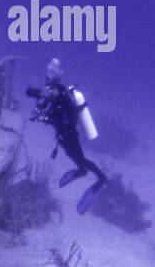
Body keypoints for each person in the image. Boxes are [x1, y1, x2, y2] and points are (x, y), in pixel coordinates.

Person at [26, 58, 108, 214]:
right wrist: (44, 115)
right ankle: (82, 171)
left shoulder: (60, 93)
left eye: (51, 71)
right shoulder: (51, 92)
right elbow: (35, 97)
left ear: (56, 76)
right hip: (62, 135)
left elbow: (71, 116)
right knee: (72, 155)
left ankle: (102, 179)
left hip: (69, 134)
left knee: (81, 158)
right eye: (48, 71)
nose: (48, 75)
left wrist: (61, 127)